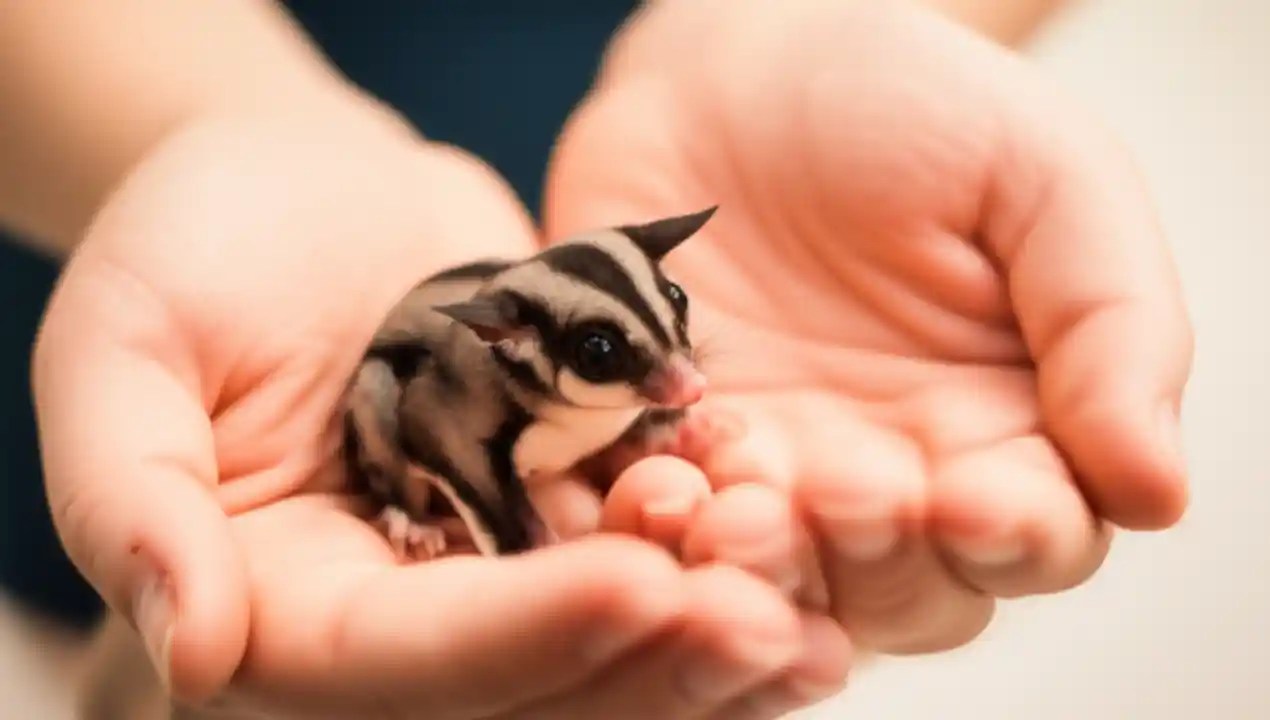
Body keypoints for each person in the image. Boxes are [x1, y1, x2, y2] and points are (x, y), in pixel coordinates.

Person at [0, 1, 1193, 718]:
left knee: (656, 643)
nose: (684, 378)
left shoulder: (609, 343)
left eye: (673, 331)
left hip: (657, 102)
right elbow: (473, 460)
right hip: (133, 181)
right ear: (517, 350)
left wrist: (804, 21)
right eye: (637, 360)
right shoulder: (472, 381)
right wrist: (503, 539)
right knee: (170, 617)